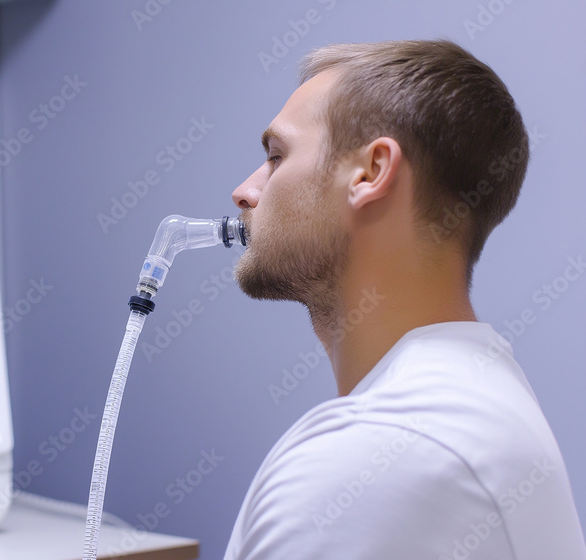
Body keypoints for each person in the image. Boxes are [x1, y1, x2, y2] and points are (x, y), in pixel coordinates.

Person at [225, 39, 586, 559]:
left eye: (277, 157)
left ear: (371, 173)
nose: (244, 191)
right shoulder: (470, 398)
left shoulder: (380, 453)